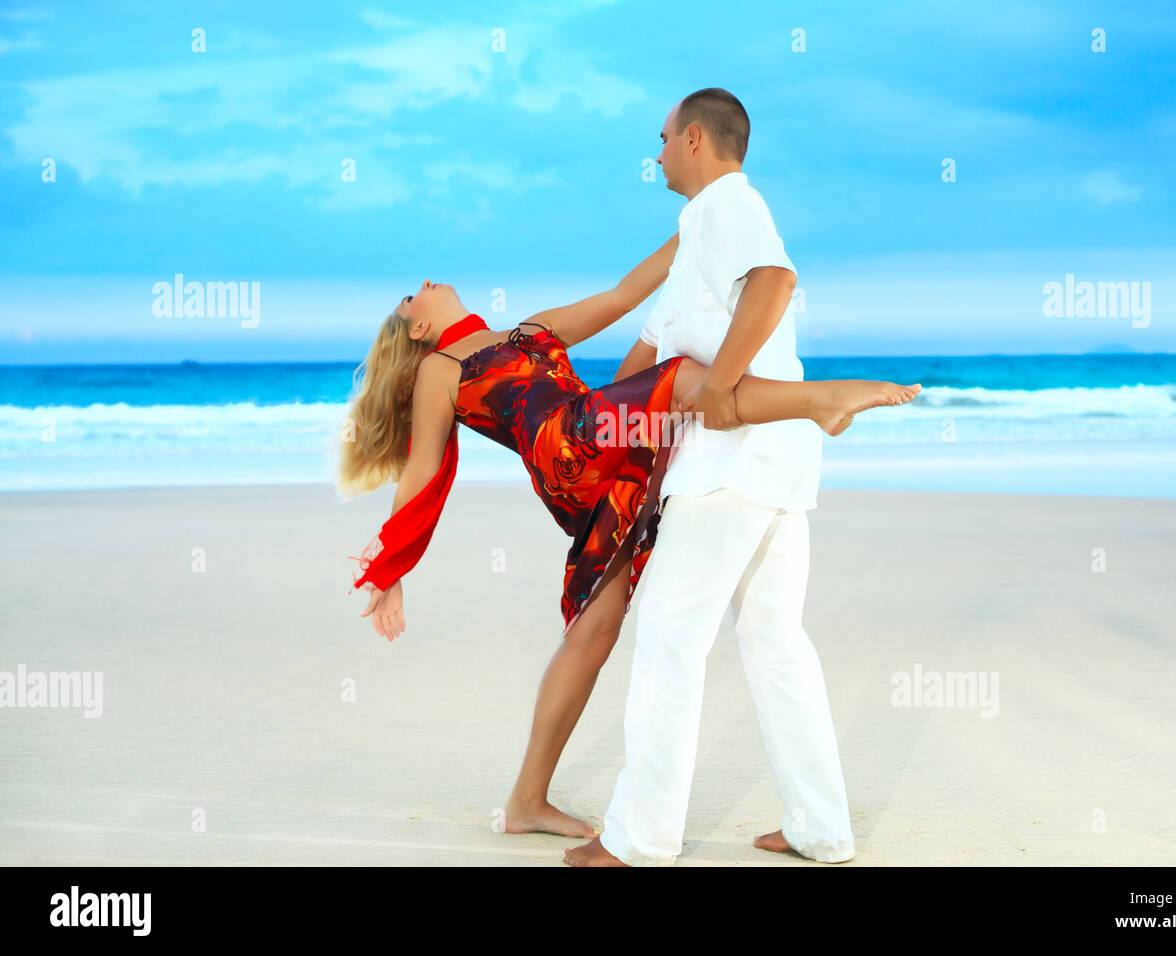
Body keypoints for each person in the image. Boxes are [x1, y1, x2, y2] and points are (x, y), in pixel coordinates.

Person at [337, 248, 921, 840]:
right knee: (683, 378)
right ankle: (818, 403)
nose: (426, 282)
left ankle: (525, 802)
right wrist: (392, 566)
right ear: (419, 328)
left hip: (600, 452)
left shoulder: (530, 329)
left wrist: (688, 234)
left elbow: (620, 297)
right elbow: (424, 471)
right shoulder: (441, 367)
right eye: (413, 295)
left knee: (596, 629)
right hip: (566, 445)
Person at [564, 89, 868, 866]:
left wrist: (727, 388)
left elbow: (775, 283)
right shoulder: (696, 239)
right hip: (777, 466)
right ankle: (821, 829)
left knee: (670, 638)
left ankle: (641, 838)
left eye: (663, 138)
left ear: (694, 139)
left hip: (730, 470)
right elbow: (651, 355)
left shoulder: (726, 206)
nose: (657, 151)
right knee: (775, 644)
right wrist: (579, 427)